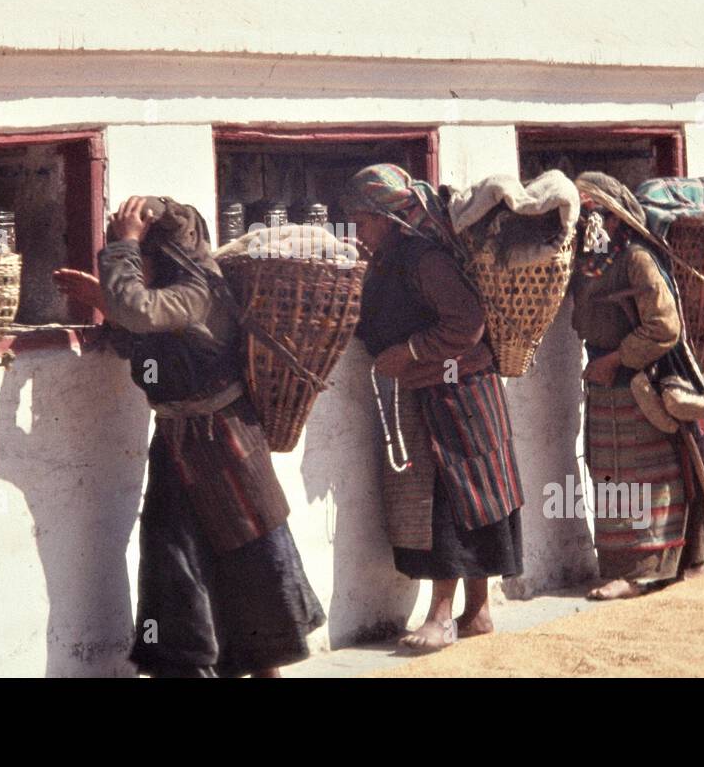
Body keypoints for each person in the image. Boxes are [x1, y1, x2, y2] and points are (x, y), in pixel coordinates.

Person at [56, 195, 324, 677]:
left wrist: (123, 251)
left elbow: (142, 313)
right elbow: (138, 333)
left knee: (253, 561)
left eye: (145, 252)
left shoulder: (198, 289)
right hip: (178, 440)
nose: (140, 260)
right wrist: (108, 301)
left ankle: (268, 669)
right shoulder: (168, 292)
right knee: (173, 566)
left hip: (226, 441)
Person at [341, 164, 523, 652]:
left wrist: (413, 352)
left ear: (386, 216)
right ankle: (478, 612)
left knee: (451, 500)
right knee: (465, 499)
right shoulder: (390, 257)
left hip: (456, 393)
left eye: (362, 221)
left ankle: (442, 616)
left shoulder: (422, 259)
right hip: (445, 393)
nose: (357, 231)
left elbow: (467, 323)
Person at [569, 172, 704, 600]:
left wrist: (616, 360)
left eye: (593, 214)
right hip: (605, 385)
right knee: (612, 473)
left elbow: (664, 327)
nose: (586, 224)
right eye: (581, 217)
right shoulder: (587, 263)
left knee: (646, 476)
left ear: (615, 219)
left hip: (640, 383)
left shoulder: (636, 259)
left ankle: (643, 570)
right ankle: (634, 566)